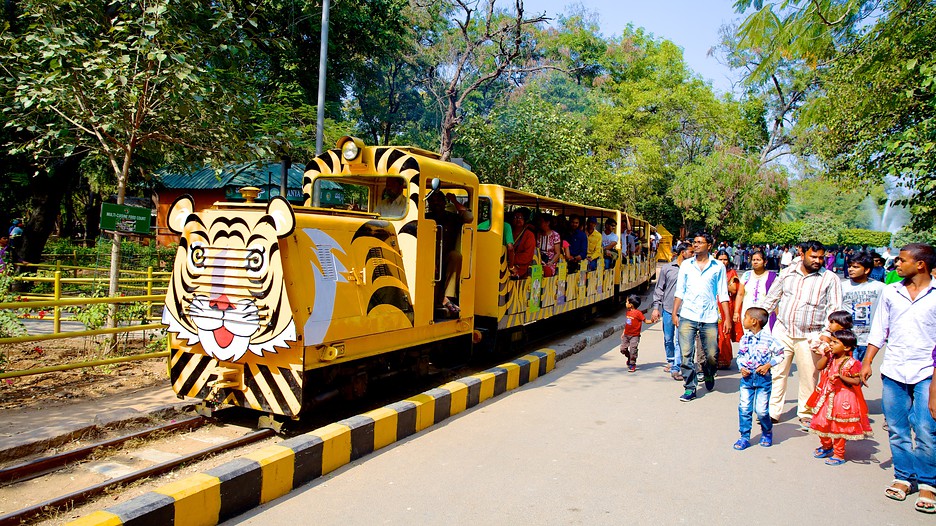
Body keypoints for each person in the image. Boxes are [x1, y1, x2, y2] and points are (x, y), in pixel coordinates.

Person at [860, 243, 936, 514]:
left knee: (926, 429)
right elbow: (879, 328)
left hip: (927, 373)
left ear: (920, 265)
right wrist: (867, 361)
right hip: (893, 370)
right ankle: (904, 476)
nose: (895, 265)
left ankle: (928, 483)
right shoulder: (891, 291)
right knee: (897, 427)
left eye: (901, 261)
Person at [756, 240, 843, 427]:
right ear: (802, 254)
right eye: (813, 256)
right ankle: (772, 412)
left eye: (821, 257)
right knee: (777, 372)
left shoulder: (830, 279)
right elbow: (771, 300)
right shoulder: (787, 273)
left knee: (808, 376)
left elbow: (834, 310)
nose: (818, 261)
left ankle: (806, 412)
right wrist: (758, 324)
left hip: (811, 335)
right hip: (783, 331)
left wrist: (827, 334)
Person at [673, 232, 731, 402]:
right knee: (686, 354)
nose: (696, 245)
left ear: (709, 246)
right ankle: (690, 388)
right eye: (694, 242)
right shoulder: (686, 265)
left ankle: (708, 372)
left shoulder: (718, 266)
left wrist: (727, 318)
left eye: (700, 242)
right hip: (688, 315)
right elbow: (680, 291)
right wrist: (675, 312)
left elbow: (723, 293)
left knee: (712, 355)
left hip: (709, 316)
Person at [806, 329, 873, 465]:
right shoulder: (830, 358)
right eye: (831, 341)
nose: (831, 344)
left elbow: (856, 381)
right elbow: (819, 367)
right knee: (820, 421)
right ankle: (826, 445)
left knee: (839, 427)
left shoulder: (852, 363)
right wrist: (825, 356)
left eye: (835, 343)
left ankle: (839, 454)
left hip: (843, 398)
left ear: (846, 347)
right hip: (826, 395)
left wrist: (841, 377)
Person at [733, 307, 785, 450]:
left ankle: (767, 431)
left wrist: (769, 365)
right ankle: (744, 436)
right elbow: (740, 355)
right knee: (744, 408)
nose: (743, 320)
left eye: (745, 317)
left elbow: (781, 354)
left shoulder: (769, 339)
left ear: (754, 321)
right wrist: (741, 367)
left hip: (763, 379)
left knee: (761, 410)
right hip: (747, 379)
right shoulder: (745, 339)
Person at [426, 191, 473, 316]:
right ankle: (443, 301)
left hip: (445, 258)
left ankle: (448, 297)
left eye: (439, 201)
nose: (435, 203)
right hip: (426, 257)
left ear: (444, 203)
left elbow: (469, 217)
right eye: (432, 201)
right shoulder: (424, 217)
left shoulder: (452, 218)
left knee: (455, 256)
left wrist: (454, 200)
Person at [651, 243, 694, 380]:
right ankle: (671, 360)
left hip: (685, 310)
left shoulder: (693, 269)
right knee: (668, 338)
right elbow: (659, 289)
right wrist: (656, 308)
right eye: (691, 252)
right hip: (668, 308)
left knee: (679, 339)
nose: (693, 254)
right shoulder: (667, 268)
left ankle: (677, 365)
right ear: (683, 253)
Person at [841, 252, 885, 363]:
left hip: (869, 339)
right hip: (849, 339)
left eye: (855, 267)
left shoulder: (880, 288)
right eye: (850, 266)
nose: (851, 269)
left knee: (861, 371)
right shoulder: (842, 286)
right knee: (849, 371)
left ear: (867, 270)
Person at [715, 250, 743, 369]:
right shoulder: (712, 271)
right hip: (713, 304)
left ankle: (724, 359)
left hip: (725, 305)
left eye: (725, 259)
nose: (723, 262)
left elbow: (734, 290)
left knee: (724, 332)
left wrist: (721, 284)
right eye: (720, 259)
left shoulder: (731, 273)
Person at [739, 250, 778, 332]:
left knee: (766, 339)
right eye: (753, 260)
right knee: (748, 338)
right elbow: (740, 294)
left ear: (765, 262)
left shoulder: (773, 277)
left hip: (766, 314)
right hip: (748, 313)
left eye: (758, 260)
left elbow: (776, 298)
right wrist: (736, 312)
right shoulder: (746, 275)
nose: (755, 262)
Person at [620, 295, 645, 373]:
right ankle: (629, 357)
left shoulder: (638, 313)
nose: (626, 303)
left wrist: (653, 320)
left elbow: (645, 321)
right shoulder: (628, 313)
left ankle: (632, 363)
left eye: (627, 301)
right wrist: (623, 332)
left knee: (633, 349)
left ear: (631, 304)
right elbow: (628, 324)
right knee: (623, 349)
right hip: (627, 335)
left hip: (635, 336)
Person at [510, 208, 535, 278]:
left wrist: (511, 259)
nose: (518, 220)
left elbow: (528, 255)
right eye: (515, 217)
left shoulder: (529, 235)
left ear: (525, 219)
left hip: (522, 267)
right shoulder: (509, 232)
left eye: (520, 217)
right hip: (508, 263)